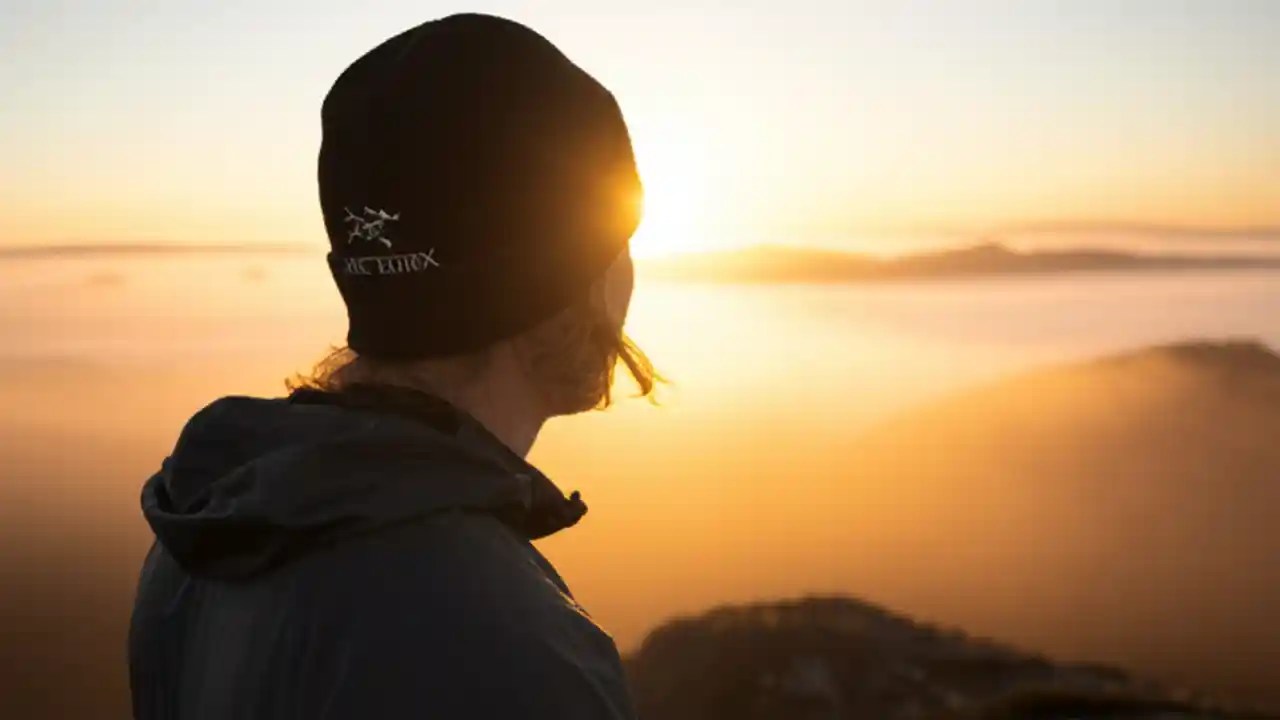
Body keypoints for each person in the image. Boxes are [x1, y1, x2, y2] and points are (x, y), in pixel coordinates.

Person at [129, 13, 657, 719]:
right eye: (618, 243)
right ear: (563, 282)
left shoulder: (201, 544)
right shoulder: (511, 655)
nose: (628, 278)